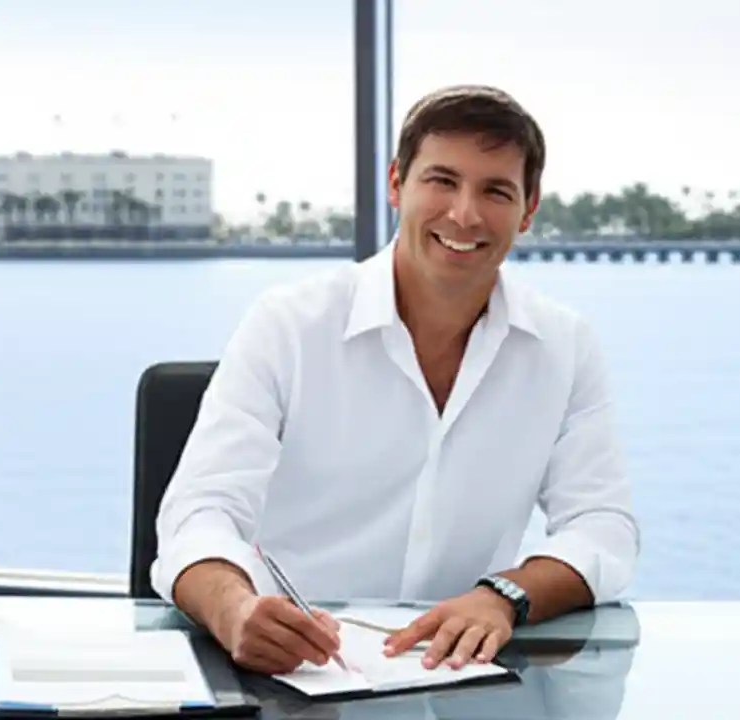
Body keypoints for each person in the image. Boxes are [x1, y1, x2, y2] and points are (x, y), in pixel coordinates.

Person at [151, 84, 640, 676]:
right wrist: (234, 610)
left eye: (496, 191)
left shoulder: (564, 346)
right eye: (442, 180)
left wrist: (504, 595)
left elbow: (603, 529)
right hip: (293, 673)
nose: (464, 214)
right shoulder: (288, 325)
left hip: (459, 678)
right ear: (396, 183)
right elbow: (198, 513)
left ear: (528, 209)